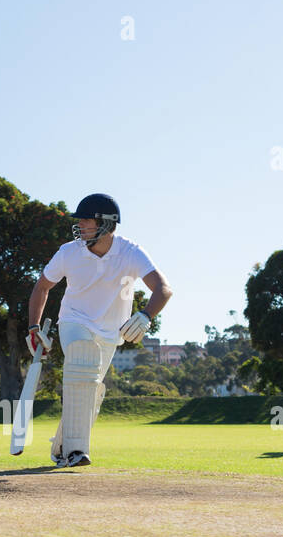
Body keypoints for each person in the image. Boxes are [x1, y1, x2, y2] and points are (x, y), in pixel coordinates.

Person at [26, 193, 173, 466]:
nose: (80, 226)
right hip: (74, 320)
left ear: (105, 224)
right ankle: (77, 452)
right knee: (82, 362)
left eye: (86, 221)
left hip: (109, 332)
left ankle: (61, 448)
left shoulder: (130, 252)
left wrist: (145, 315)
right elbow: (42, 287)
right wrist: (34, 327)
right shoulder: (68, 252)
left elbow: (163, 289)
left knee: (89, 391)